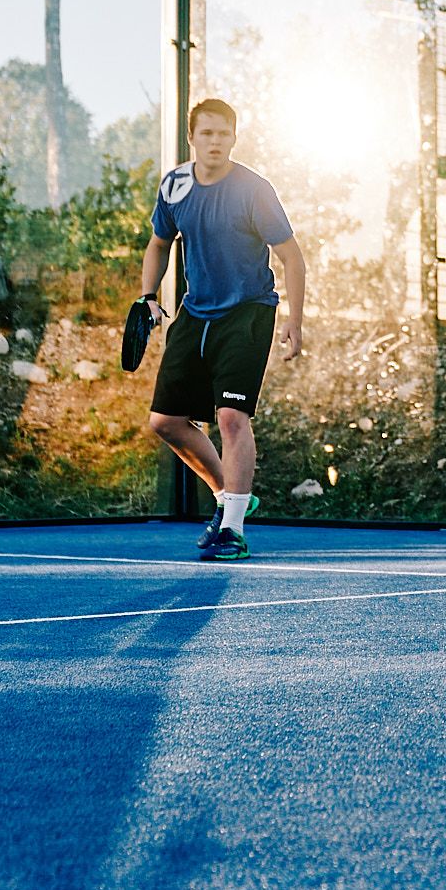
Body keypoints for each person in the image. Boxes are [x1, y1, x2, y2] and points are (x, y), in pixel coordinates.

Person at [136, 98, 305, 562]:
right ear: (192, 138)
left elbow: (291, 256)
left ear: (234, 138)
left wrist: (294, 319)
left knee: (231, 418)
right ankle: (230, 496)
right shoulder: (174, 186)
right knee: (166, 422)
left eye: (223, 134)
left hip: (249, 311)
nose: (215, 142)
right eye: (206, 133)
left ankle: (232, 529)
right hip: (195, 312)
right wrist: (149, 295)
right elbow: (159, 244)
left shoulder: (254, 190)